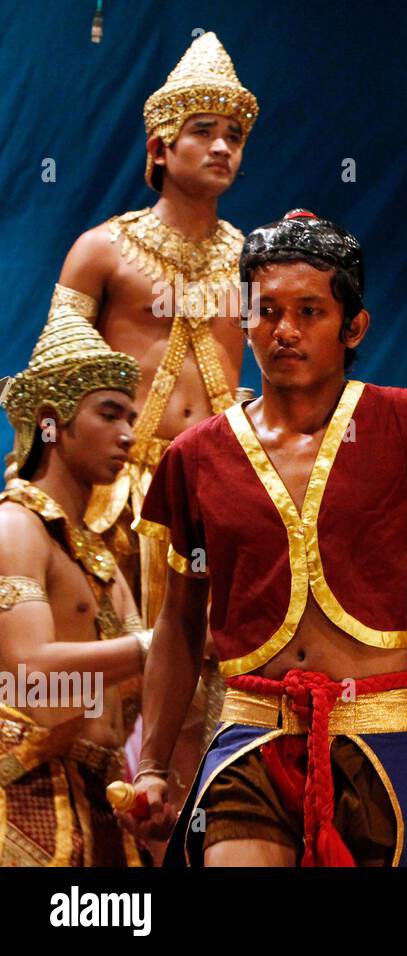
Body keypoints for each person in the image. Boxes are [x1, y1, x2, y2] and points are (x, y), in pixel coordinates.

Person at [121, 210, 407, 866]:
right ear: (244, 323)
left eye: (309, 311)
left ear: (353, 325)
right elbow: (181, 619)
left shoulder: (406, 424)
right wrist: (153, 765)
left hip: (379, 734)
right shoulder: (196, 456)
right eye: (267, 311)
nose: (286, 331)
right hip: (248, 736)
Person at [48, 31, 261, 807]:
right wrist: (40, 491)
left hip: (211, 485)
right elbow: (53, 381)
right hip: (117, 490)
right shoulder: (100, 251)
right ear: (160, 147)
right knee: (100, 671)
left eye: (234, 135)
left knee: (209, 673)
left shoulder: (257, 266)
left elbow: (282, 380)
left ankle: (191, 827)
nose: (222, 147)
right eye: (203, 131)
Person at [0, 304, 149, 865]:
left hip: (104, 798)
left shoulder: (101, 557)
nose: (129, 435)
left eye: (131, 418)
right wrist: (154, 646)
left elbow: (143, 683)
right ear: (50, 423)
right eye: (109, 415)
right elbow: (29, 670)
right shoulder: (15, 527)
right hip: (26, 798)